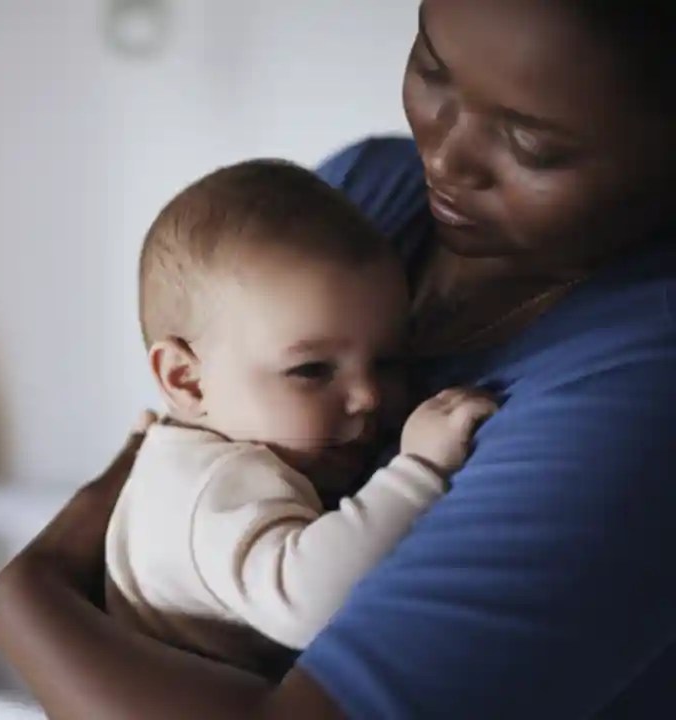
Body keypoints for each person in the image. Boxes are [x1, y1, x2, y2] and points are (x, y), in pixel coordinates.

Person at [0, 0, 676, 717]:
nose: (441, 157)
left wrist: (28, 596)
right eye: (431, 68)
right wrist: (36, 593)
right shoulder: (361, 198)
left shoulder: (635, 391)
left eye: (530, 144)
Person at [106, 159, 495, 678]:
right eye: (312, 370)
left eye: (386, 362)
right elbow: (305, 602)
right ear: (186, 380)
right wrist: (418, 470)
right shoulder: (219, 484)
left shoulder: (182, 456)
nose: (368, 397)